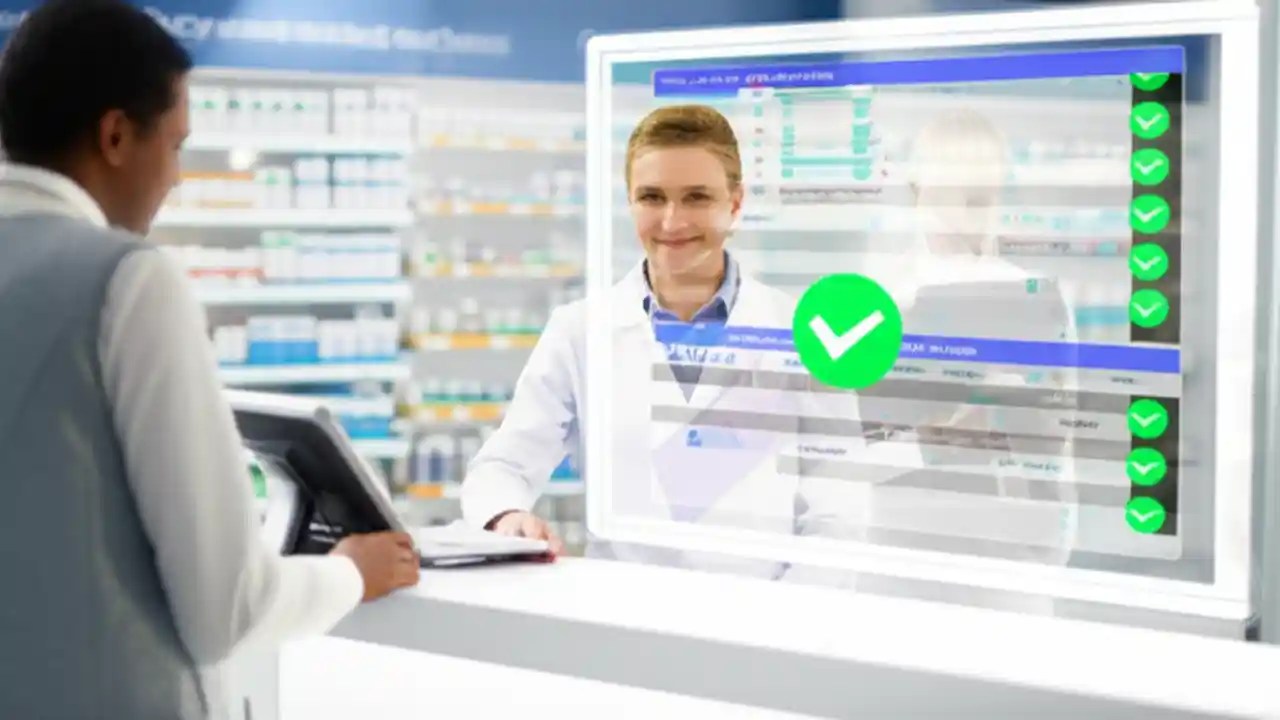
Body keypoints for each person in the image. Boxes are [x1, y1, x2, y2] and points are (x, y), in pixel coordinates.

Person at [0, 2, 418, 718]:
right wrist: (351, 573)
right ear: (115, 135)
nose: (177, 179)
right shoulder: (125, 280)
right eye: (175, 146)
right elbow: (227, 607)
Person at [460, 103, 860, 579]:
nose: (671, 222)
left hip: (763, 608)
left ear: (735, 204)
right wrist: (507, 516)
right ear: (630, 202)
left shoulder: (802, 335)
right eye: (652, 197)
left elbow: (838, 508)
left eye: (696, 198)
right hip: (621, 609)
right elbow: (504, 464)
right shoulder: (580, 331)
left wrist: (789, 610)